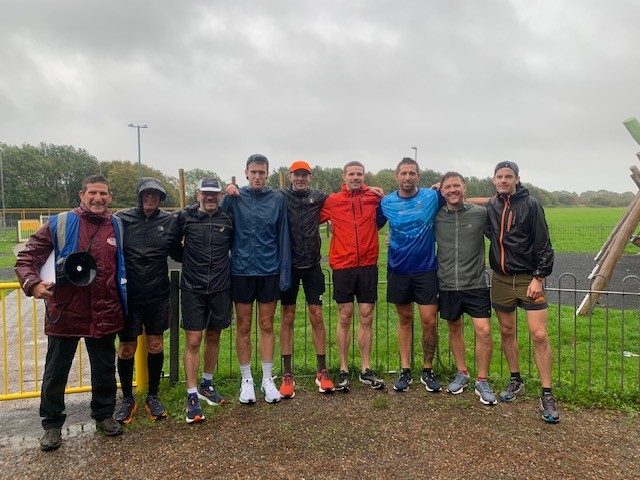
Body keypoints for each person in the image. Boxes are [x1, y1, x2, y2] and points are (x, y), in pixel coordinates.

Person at [15, 174, 127, 451]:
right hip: (65, 310)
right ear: (82, 195)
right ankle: (52, 424)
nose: (98, 198)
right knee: (56, 371)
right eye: (93, 193)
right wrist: (33, 283)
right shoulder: (60, 222)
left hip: (104, 310)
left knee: (104, 369)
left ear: (110, 197)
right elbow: (28, 257)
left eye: (103, 193)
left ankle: (104, 415)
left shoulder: (117, 226)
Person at [485, 161, 559, 423]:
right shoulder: (492, 205)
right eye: (499, 176)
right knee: (507, 331)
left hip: (529, 278)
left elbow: (544, 242)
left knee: (539, 334)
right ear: (494, 180)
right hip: (502, 279)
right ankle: (516, 380)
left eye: (509, 176)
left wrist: (539, 277)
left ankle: (547, 393)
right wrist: (441, 191)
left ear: (517, 179)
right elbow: (473, 202)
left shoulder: (531, 204)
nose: (504, 180)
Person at [220, 154, 290, 404]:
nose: (258, 176)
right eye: (254, 172)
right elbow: (217, 216)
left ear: (268, 173)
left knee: (267, 325)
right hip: (241, 270)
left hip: (269, 270)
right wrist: (227, 192)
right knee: (243, 326)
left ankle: (267, 379)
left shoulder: (277, 199)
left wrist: (284, 271)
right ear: (246, 173)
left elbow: (283, 234)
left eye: (262, 172)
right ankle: (246, 380)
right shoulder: (236, 197)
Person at [113, 177, 182, 424]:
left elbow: (179, 252)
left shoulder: (169, 221)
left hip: (157, 294)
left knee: (155, 344)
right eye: (146, 194)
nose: (150, 198)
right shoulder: (121, 219)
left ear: (161, 199)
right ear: (139, 196)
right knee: (127, 347)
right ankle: (127, 398)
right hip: (129, 294)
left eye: (155, 195)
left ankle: (153, 395)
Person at [320, 161, 386, 391]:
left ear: (364, 176)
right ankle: (343, 368)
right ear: (344, 177)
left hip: (368, 264)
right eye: (351, 174)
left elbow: (393, 208)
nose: (355, 177)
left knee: (366, 316)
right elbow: (309, 216)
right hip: (343, 265)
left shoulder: (374, 198)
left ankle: (365, 369)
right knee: (345, 316)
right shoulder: (333, 200)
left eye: (359, 174)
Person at [380, 157, 444, 393]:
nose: (407, 177)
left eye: (412, 173)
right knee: (404, 319)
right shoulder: (386, 202)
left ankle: (427, 370)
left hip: (426, 269)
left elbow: (458, 196)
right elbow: (371, 222)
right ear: (396, 176)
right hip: (398, 269)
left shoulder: (431, 197)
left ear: (418, 176)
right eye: (404, 173)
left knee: (429, 321)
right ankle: (405, 370)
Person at [434, 172, 497, 405]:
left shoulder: (480, 214)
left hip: (475, 283)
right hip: (447, 283)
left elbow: (496, 203)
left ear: (464, 188)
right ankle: (462, 372)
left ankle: (482, 379)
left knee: (484, 331)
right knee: (454, 328)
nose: (452, 190)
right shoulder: (436, 216)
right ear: (442, 191)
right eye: (448, 187)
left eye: (456, 186)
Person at [177, 178, 234, 423]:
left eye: (215, 194)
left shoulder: (227, 218)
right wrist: (191, 262)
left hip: (220, 287)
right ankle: (191, 394)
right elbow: (173, 245)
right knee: (193, 339)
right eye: (206, 193)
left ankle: (206, 384)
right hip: (193, 288)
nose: (210, 197)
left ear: (220, 196)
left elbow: (233, 245)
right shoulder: (185, 218)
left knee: (214, 336)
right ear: (198, 194)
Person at [278, 160, 334, 397]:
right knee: (288, 316)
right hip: (289, 266)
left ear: (310, 177)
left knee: (317, 315)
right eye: (296, 175)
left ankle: (322, 371)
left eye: (304, 175)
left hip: (312, 265)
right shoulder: (281, 197)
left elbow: (342, 199)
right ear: (290, 177)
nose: (300, 178)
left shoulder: (319, 197)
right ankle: (287, 373)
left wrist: (371, 190)